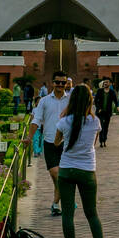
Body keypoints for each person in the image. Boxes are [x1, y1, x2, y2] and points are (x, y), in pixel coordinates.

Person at [53, 83, 111, 238]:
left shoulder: (64, 121)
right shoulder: (95, 121)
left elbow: (56, 143)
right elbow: (92, 144)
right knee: (92, 213)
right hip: (87, 170)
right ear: (89, 100)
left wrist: (66, 136)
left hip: (67, 170)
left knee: (68, 214)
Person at [28, 72, 71, 216]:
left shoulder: (70, 100)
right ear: (52, 83)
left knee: (60, 176)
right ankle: (64, 197)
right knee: (56, 174)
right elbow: (36, 120)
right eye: (57, 82)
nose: (60, 85)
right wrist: (29, 137)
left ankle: (56, 203)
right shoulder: (45, 101)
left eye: (63, 83)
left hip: (67, 142)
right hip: (50, 142)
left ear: (66, 84)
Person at [93, 78, 117, 147]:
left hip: (108, 112)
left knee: (106, 127)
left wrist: (117, 106)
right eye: (104, 82)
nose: (105, 83)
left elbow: (115, 100)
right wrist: (98, 108)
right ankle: (101, 141)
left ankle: (104, 140)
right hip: (100, 112)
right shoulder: (99, 91)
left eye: (107, 82)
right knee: (101, 127)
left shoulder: (112, 92)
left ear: (110, 84)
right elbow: (95, 101)